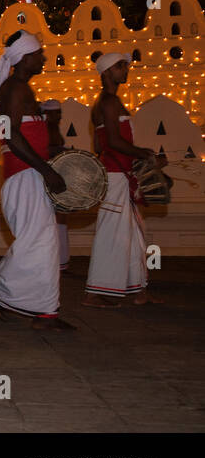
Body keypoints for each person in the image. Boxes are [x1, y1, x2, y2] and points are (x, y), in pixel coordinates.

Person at [0, 31, 73, 330]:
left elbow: (26, 133)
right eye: (39, 53)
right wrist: (47, 170)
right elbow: (9, 135)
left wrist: (53, 157)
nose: (44, 58)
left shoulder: (19, 89)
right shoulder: (14, 89)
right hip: (25, 176)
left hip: (29, 174)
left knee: (42, 243)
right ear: (25, 57)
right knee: (39, 242)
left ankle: (43, 310)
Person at [84, 53, 162, 307]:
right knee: (112, 233)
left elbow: (99, 143)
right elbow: (114, 141)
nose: (126, 69)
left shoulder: (105, 102)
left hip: (118, 173)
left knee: (134, 235)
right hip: (116, 175)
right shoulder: (109, 101)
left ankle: (140, 290)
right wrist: (144, 154)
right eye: (120, 66)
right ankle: (93, 294)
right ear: (107, 72)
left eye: (125, 65)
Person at [40, 99, 72, 272]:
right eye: (56, 112)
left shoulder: (53, 128)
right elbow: (45, 151)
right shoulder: (46, 128)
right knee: (54, 218)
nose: (59, 116)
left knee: (59, 218)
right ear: (47, 114)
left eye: (59, 112)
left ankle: (60, 260)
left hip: (55, 175)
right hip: (49, 177)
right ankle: (56, 261)